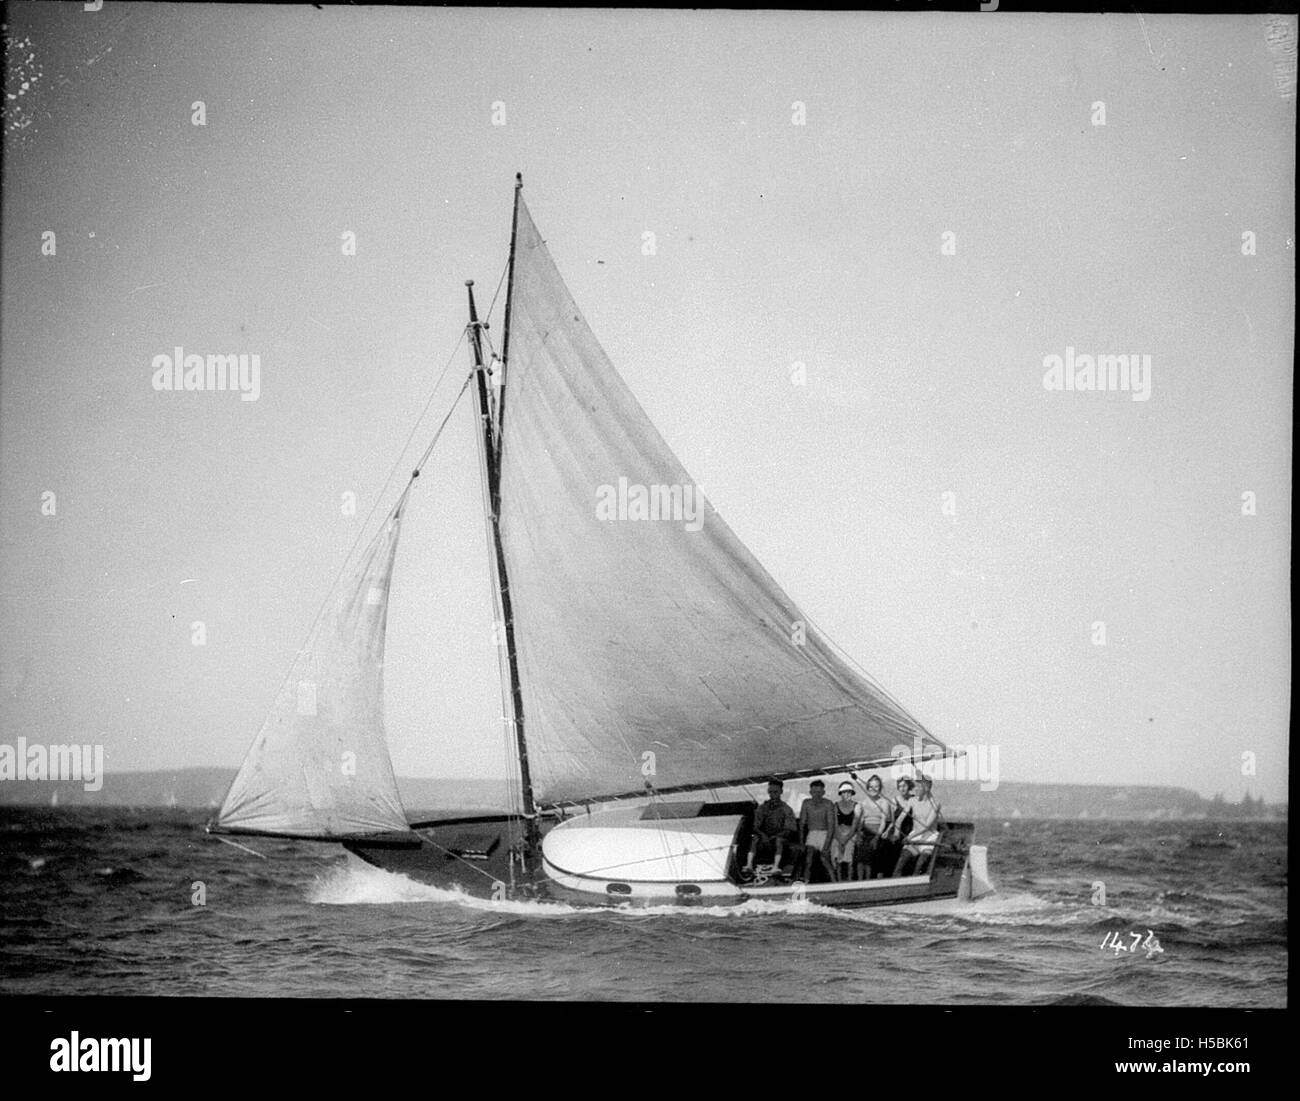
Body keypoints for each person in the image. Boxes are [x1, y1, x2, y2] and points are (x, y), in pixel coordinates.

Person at [743, 779, 798, 879]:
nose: (772, 794)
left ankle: (776, 867)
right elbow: (756, 826)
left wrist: (775, 836)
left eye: (775, 792)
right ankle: (749, 865)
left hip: (780, 840)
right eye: (770, 792)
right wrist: (763, 835)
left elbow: (789, 829)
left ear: (781, 792)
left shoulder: (786, 809)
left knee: (779, 841)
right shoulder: (762, 808)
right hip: (763, 840)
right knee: (754, 839)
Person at [895, 774, 944, 876]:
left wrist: (911, 837)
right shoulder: (912, 801)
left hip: (929, 838)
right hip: (915, 837)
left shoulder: (935, 804)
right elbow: (900, 819)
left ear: (926, 788)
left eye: (918, 786)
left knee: (920, 864)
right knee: (901, 861)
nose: (915, 789)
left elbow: (926, 826)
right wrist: (896, 833)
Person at [854, 773, 894, 880]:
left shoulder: (884, 802)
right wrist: (858, 835)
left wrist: (876, 838)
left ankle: (869, 880)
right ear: (867, 787)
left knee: (874, 850)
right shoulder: (863, 803)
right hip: (865, 832)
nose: (873, 789)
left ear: (880, 788)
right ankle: (859, 880)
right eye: (871, 786)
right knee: (860, 854)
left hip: (878, 832)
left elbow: (883, 822)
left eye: (876, 786)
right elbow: (861, 821)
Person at [797, 779, 836, 883]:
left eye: (819, 792)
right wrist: (801, 842)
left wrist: (827, 844)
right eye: (814, 792)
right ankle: (806, 881)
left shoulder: (828, 804)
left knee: (825, 859)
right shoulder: (806, 803)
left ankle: (835, 882)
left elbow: (831, 825)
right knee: (808, 859)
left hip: (824, 833)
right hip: (812, 833)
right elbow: (802, 824)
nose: (817, 795)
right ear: (810, 792)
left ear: (823, 792)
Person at [877, 776, 914, 878]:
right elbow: (894, 820)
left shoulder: (913, 799)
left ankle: (900, 874)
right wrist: (887, 831)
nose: (902, 788)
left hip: (909, 830)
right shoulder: (895, 800)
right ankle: (883, 873)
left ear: (909, 786)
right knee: (886, 844)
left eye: (904, 786)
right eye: (900, 786)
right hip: (897, 829)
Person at [829, 782, 864, 882]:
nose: (847, 795)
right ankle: (839, 880)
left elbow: (854, 825)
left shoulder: (857, 806)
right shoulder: (835, 805)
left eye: (849, 792)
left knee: (849, 854)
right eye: (844, 792)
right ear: (840, 794)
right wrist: (840, 838)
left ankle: (849, 879)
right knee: (837, 854)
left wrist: (845, 839)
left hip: (851, 833)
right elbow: (834, 824)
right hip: (838, 832)